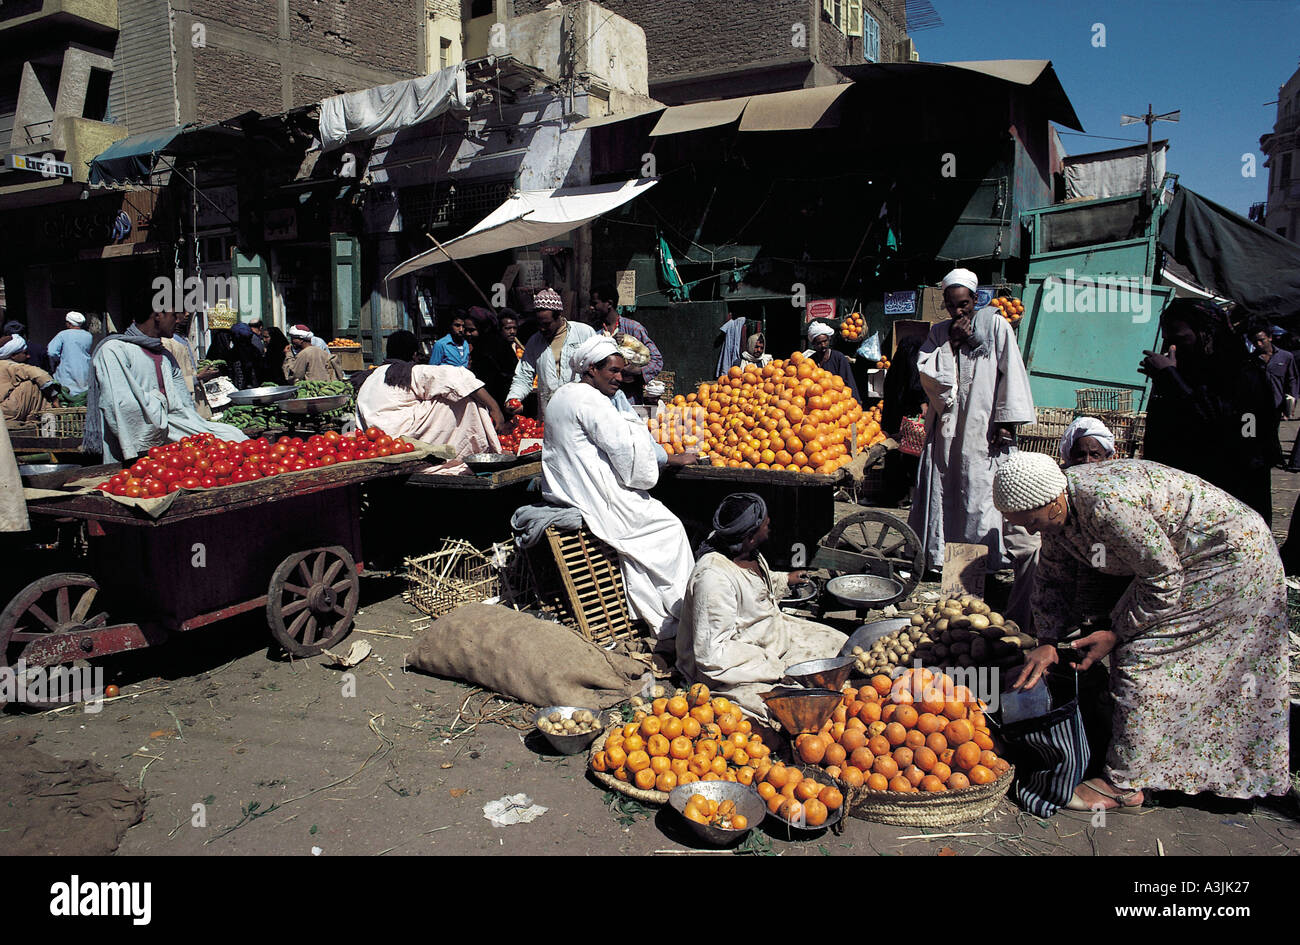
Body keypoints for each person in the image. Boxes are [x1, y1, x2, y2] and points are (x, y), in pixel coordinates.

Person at [996, 452, 1290, 810]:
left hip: (1229, 560)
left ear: (1053, 501)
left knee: (1142, 658)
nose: (1030, 531)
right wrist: (1047, 641)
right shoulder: (1060, 512)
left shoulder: (1107, 506)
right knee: (1156, 658)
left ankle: (1124, 782)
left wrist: (1117, 633)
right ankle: (1165, 765)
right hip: (1184, 563)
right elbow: (1054, 578)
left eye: (1033, 522)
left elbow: (1164, 579)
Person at [541, 335, 694, 642]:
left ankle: (661, 616)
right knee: (669, 527)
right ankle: (682, 613)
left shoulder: (563, 395)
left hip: (569, 485)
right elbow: (629, 459)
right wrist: (665, 459)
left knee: (649, 531)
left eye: (622, 372)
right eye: (612, 371)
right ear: (591, 370)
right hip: (593, 494)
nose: (619, 378)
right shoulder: (591, 401)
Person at [910, 268, 1036, 580]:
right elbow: (927, 374)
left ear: (976, 299)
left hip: (984, 427)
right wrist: (952, 342)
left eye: (964, 304)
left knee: (979, 493)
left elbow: (1012, 371)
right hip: (947, 430)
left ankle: (982, 564)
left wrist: (1006, 422)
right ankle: (942, 559)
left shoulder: (995, 324)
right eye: (952, 305)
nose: (958, 311)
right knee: (946, 490)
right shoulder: (939, 332)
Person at [676, 493, 847, 721]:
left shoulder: (744, 551)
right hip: (740, 659)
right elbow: (711, 653)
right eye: (766, 524)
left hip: (772, 632)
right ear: (750, 538)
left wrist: (784, 580)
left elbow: (753, 590)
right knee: (799, 706)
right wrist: (771, 665)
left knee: (842, 646)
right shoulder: (713, 579)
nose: (770, 526)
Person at [1141, 299, 1275, 525]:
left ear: (1207, 333)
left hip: (1231, 500)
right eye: (1167, 341)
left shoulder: (1243, 374)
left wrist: (1172, 379)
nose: (1171, 348)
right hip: (1185, 501)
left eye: (1179, 339)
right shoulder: (1185, 372)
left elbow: (1232, 430)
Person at [83, 300, 246, 462]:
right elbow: (122, 406)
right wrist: (161, 403)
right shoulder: (114, 351)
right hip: (143, 442)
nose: (179, 320)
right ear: (158, 315)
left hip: (173, 431)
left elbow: (183, 407)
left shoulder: (165, 356)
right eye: (174, 315)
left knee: (235, 436)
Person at [355, 330, 504, 460]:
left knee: (450, 390)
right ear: (414, 354)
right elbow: (457, 376)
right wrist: (494, 407)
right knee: (463, 396)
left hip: (377, 439)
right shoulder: (409, 371)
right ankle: (472, 451)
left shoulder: (372, 375)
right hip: (403, 438)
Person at [505, 288, 595, 420]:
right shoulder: (534, 342)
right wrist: (514, 398)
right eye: (539, 324)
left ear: (559, 315)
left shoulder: (584, 333)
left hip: (581, 412)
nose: (542, 328)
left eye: (547, 324)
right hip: (549, 416)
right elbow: (524, 376)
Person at [1249, 322, 1300, 469]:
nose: (1259, 344)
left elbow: (1292, 380)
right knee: (1253, 432)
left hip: (1276, 403)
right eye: (1255, 342)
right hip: (1255, 405)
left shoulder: (1286, 357)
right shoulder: (1252, 360)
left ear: (1270, 338)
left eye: (1262, 340)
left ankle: (1273, 458)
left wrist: (1291, 402)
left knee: (1272, 432)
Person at [589, 283, 663, 383]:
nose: (591, 308)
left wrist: (638, 370)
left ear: (609, 304)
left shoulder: (633, 328)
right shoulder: (593, 331)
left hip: (629, 395)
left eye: (594, 304)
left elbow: (657, 360)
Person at [464, 306, 516, 408]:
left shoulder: (491, 349)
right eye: (466, 330)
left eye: (471, 330)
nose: (467, 334)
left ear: (483, 328)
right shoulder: (480, 347)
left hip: (499, 405)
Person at [0, 345, 61, 421]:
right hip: (6, 410)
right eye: (25, 353)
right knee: (33, 384)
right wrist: (54, 397)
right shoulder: (9, 365)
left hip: (4, 409)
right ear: (13, 355)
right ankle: (47, 412)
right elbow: (39, 374)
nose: (28, 356)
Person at [805, 321, 861, 403]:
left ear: (829, 340)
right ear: (813, 344)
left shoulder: (839, 358)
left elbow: (849, 382)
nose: (823, 345)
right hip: (817, 403)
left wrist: (856, 403)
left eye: (825, 341)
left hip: (838, 402)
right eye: (819, 343)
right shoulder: (811, 361)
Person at [47, 312, 93, 398]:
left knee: (66, 395)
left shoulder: (63, 334)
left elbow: (51, 352)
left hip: (67, 371)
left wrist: (57, 360)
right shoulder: (88, 335)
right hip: (84, 370)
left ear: (69, 323)